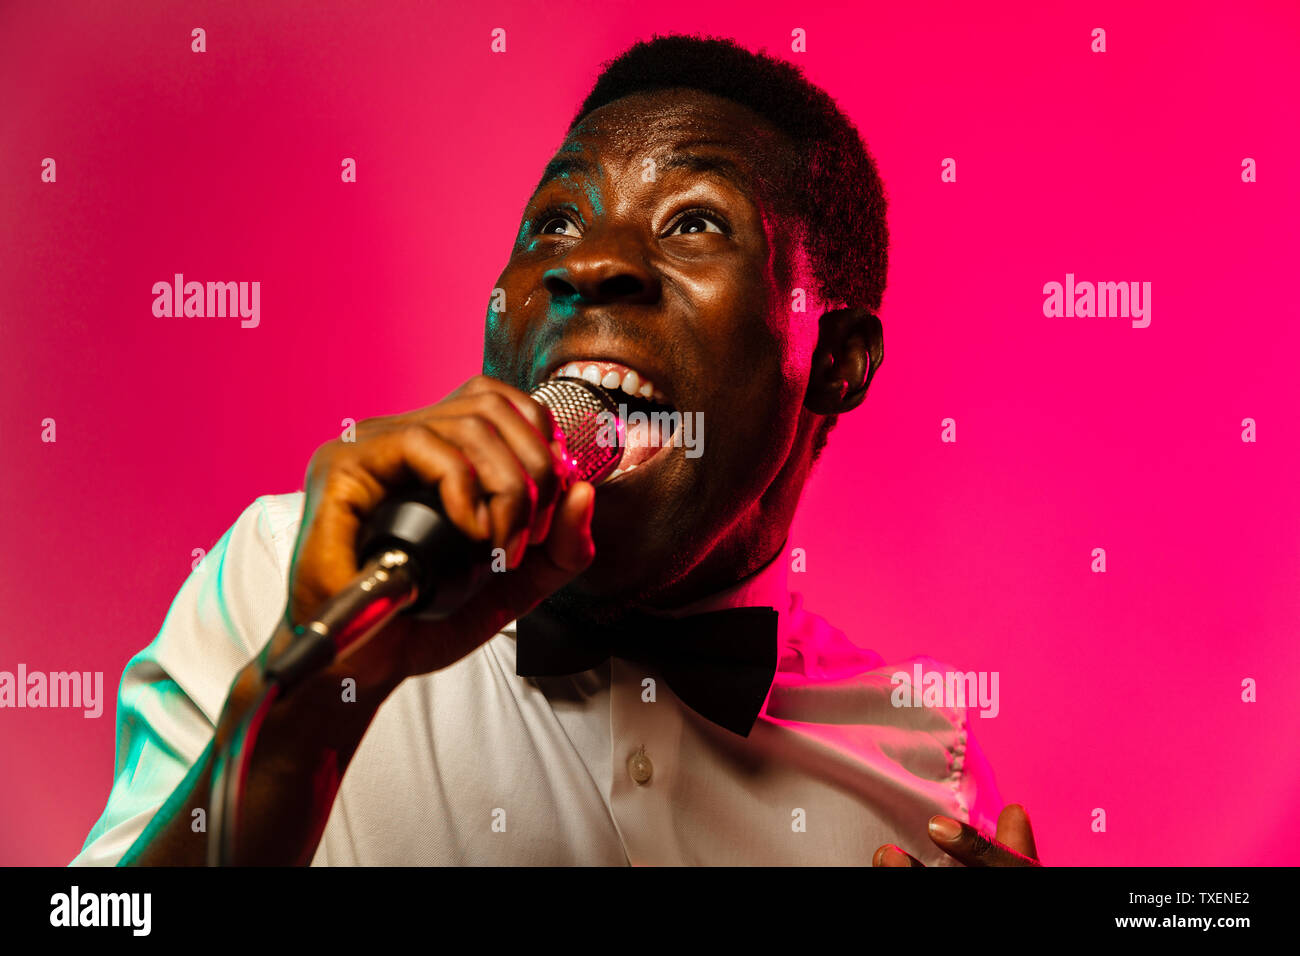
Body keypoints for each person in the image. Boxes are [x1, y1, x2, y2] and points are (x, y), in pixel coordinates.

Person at [72, 33, 1039, 867]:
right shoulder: (298, 581)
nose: (589, 263)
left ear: (835, 360)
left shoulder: (924, 773)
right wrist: (297, 724)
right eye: (556, 223)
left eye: (696, 222)